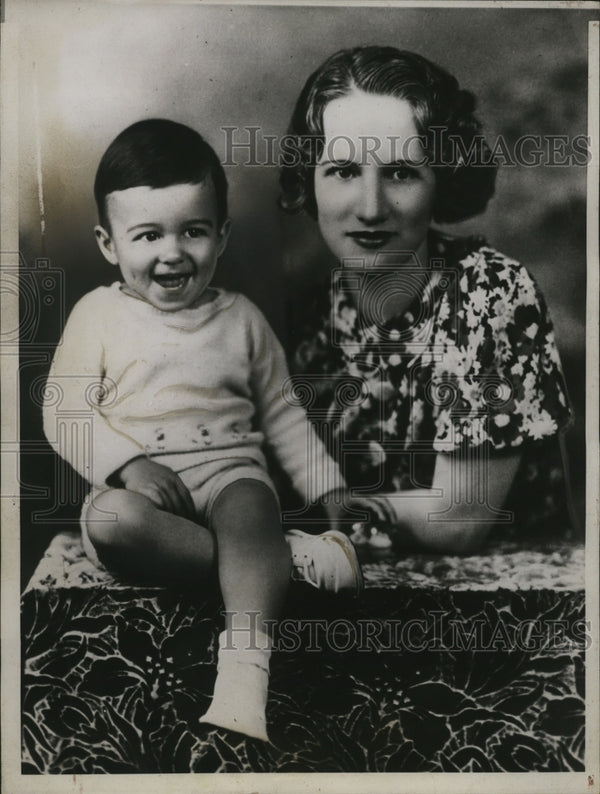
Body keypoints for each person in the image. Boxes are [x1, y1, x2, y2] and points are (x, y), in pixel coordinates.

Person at [42, 119, 362, 743]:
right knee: (108, 520)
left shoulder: (241, 320)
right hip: (143, 500)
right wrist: (128, 466)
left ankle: (244, 674)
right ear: (108, 243)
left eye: (193, 230)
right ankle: (287, 562)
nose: (172, 252)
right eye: (148, 235)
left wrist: (330, 491)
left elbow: (284, 416)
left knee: (250, 505)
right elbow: (64, 411)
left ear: (222, 235)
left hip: (228, 479)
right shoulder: (97, 315)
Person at [279, 47, 574, 554]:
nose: (371, 208)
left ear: (441, 179)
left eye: (401, 173)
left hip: (505, 596)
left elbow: (460, 518)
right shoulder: (313, 317)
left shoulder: (489, 293)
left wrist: (309, 516)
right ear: (310, 178)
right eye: (344, 171)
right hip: (361, 588)